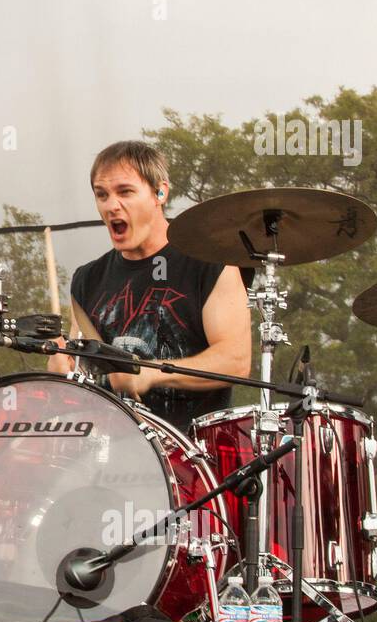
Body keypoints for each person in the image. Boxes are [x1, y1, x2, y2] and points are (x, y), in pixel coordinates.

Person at [47, 140, 251, 432]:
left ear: (160, 192)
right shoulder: (86, 282)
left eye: (125, 192)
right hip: (116, 453)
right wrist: (64, 372)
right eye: (101, 195)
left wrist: (152, 374)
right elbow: (90, 373)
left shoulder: (210, 262)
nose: (111, 205)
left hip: (194, 460)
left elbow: (236, 362)